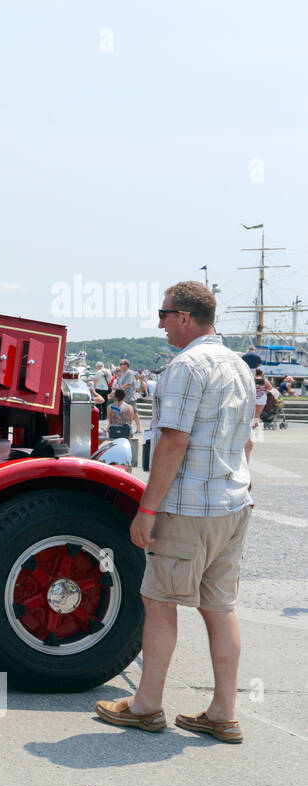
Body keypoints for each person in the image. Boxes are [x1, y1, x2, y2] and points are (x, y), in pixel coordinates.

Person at [95, 281, 254, 743]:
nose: (160, 323)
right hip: (232, 502)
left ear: (184, 316)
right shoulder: (239, 365)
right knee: (219, 608)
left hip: (190, 507)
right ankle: (223, 712)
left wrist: (147, 509)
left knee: (160, 602)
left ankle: (146, 705)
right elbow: (246, 440)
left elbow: (173, 441)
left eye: (164, 314)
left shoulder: (186, 366)